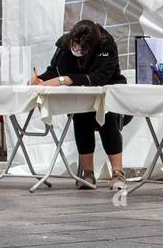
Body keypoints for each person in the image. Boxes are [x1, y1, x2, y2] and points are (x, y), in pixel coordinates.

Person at [29, 19, 128, 191]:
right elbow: (55, 69)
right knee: (81, 117)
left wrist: (67, 80)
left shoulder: (107, 46)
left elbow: (99, 78)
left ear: (92, 46)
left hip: (108, 95)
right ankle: (88, 173)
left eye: (81, 48)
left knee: (107, 118)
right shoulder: (65, 44)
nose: (76, 50)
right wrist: (41, 80)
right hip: (80, 98)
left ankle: (118, 173)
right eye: (74, 45)